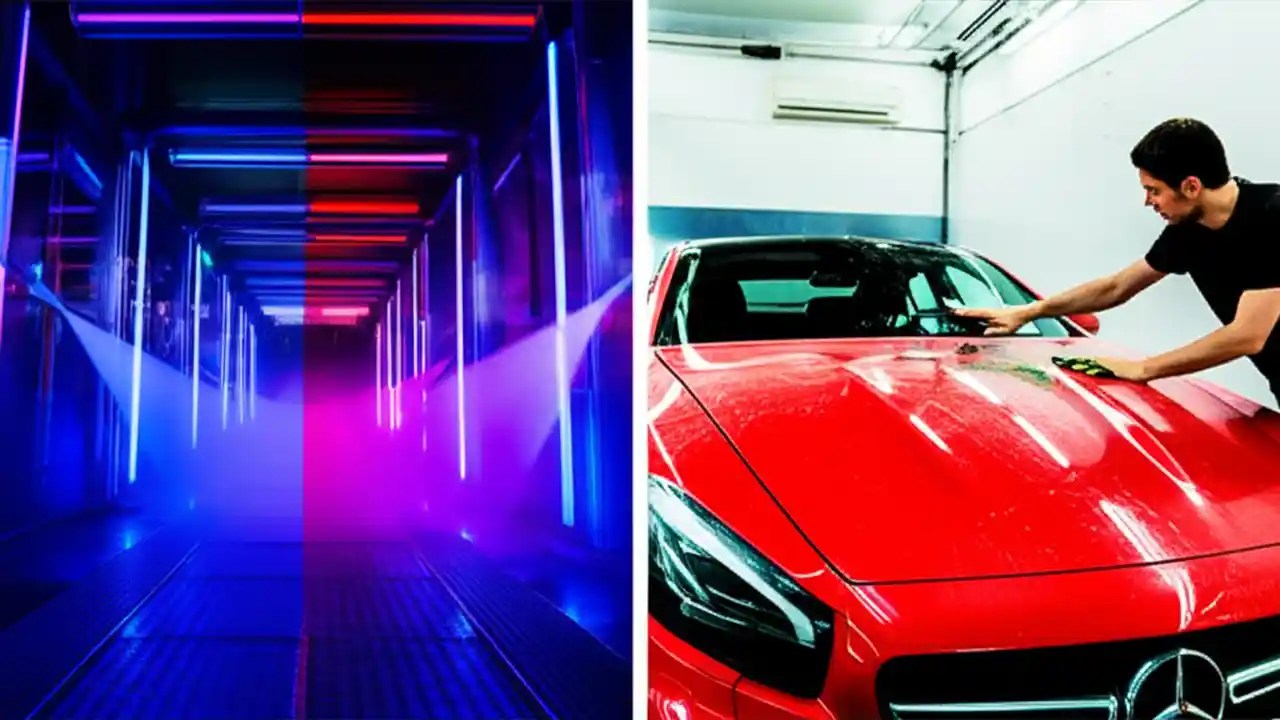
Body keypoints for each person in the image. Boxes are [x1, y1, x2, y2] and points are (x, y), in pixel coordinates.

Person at [955, 117, 1280, 402]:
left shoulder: (1272, 215)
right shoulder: (1187, 231)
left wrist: (1144, 368)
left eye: (1154, 190)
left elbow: (1248, 335)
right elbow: (1117, 287)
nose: (1147, 201)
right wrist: (1029, 311)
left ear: (1191, 186)